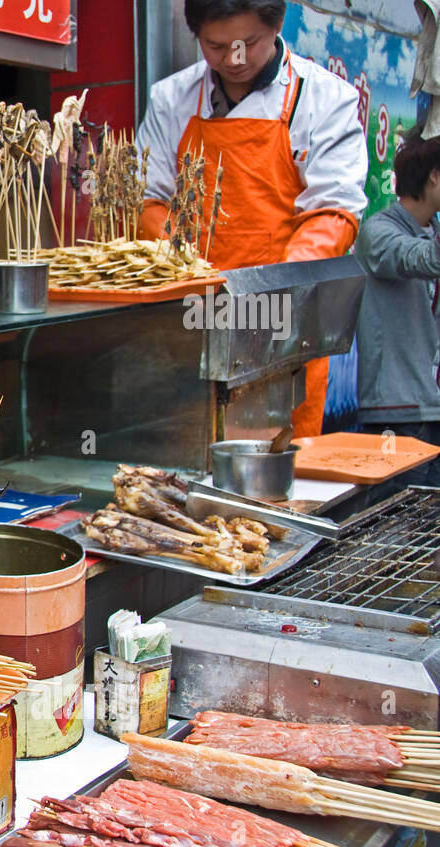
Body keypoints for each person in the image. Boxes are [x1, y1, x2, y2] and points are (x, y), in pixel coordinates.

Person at [137, 0, 368, 437]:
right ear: (197, 35)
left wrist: (266, 295)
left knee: (280, 472)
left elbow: (332, 214)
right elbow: (150, 200)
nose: (234, 59)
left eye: (248, 43)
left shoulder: (324, 99)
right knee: (184, 456)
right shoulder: (171, 99)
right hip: (190, 322)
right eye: (216, 46)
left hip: (283, 326)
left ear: (278, 25)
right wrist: (189, 271)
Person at [354, 132, 440, 485]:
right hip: (397, 409)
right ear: (434, 175)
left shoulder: (430, 230)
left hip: (431, 404)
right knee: (400, 526)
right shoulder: (378, 232)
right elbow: (419, 260)